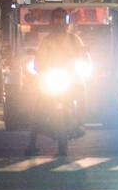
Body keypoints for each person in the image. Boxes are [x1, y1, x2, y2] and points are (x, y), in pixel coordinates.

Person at [26, 8, 88, 155]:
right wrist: (38, 68)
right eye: (56, 18)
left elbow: (83, 56)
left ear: (66, 21)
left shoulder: (74, 39)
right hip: (50, 80)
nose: (59, 21)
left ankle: (80, 121)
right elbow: (38, 61)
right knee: (38, 109)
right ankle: (31, 143)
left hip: (70, 80)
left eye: (61, 18)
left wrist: (82, 63)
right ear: (52, 21)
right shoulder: (46, 41)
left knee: (83, 91)